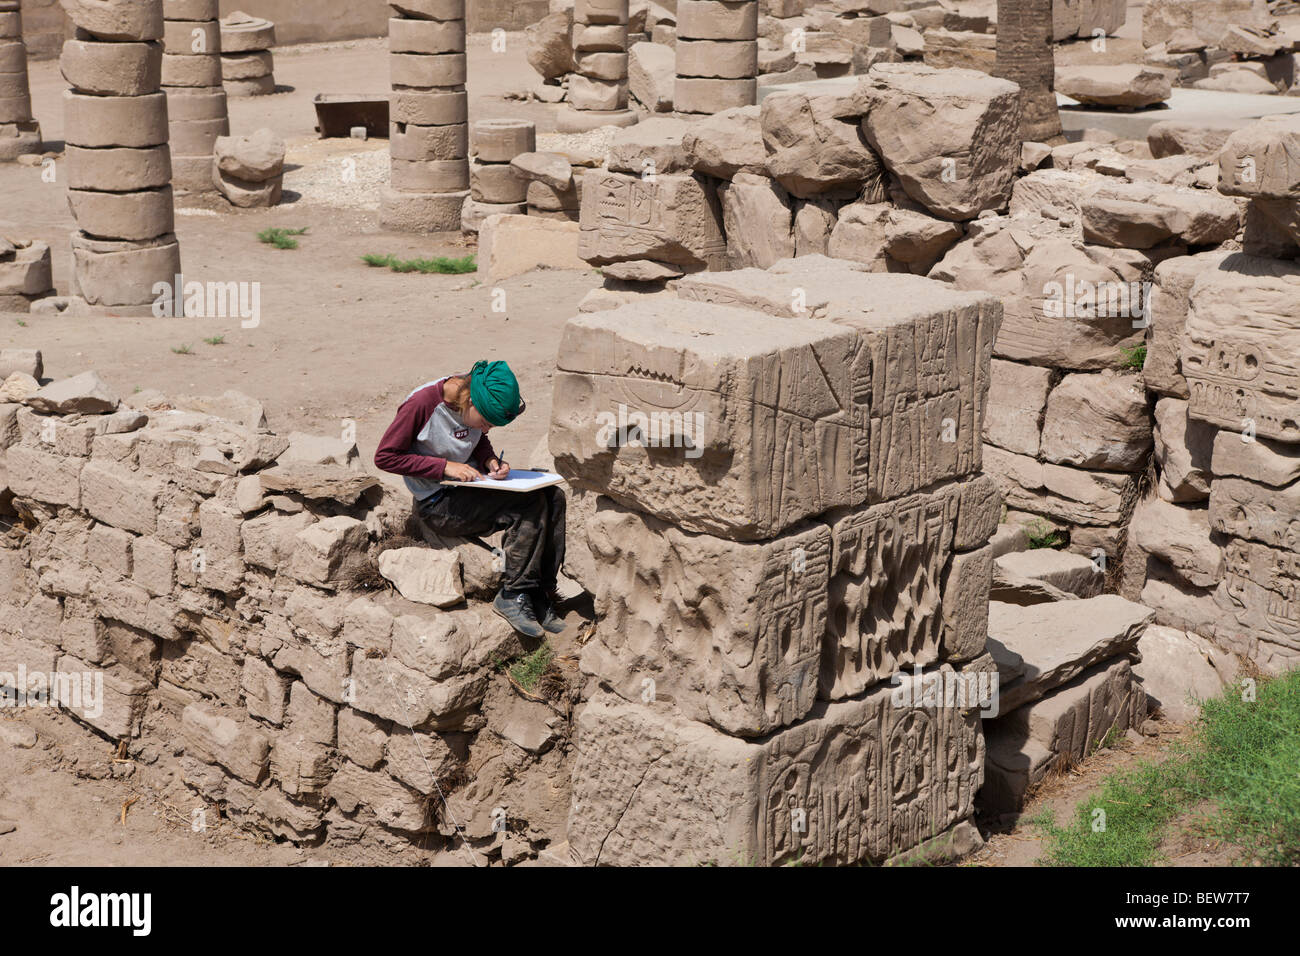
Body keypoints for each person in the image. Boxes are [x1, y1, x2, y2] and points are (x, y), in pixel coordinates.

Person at [374, 360, 566, 639]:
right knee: (526, 506)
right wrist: (443, 467)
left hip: (468, 488)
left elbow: (477, 437)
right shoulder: (422, 405)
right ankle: (513, 594)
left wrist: (488, 460)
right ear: (471, 401)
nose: (487, 430)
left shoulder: (471, 403)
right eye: (487, 422)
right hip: (436, 503)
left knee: (553, 496)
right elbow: (385, 456)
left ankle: (540, 592)